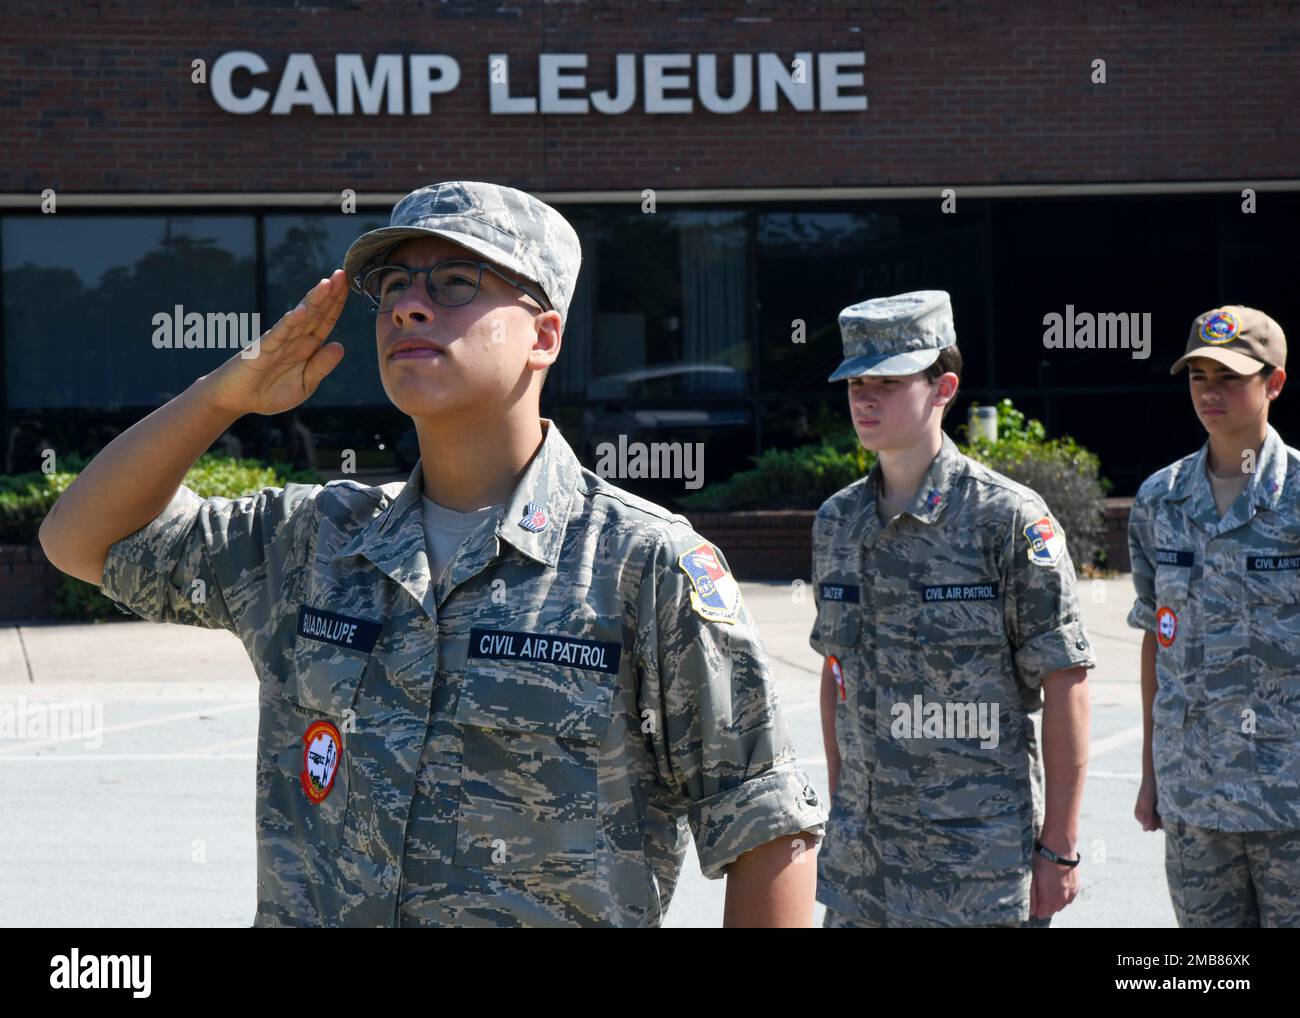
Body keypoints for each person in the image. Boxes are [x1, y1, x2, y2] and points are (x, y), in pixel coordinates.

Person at [39, 180, 826, 928]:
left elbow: (766, 826)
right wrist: (224, 395)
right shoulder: (312, 540)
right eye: (392, 289)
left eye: (454, 282)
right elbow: (76, 539)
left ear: (543, 336)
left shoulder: (642, 565)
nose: (408, 308)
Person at [811, 290, 1093, 927]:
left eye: (887, 380)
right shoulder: (838, 522)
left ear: (943, 387)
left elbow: (1066, 680)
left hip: (975, 871)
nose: (863, 396)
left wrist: (1061, 848)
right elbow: (836, 673)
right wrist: (840, 807)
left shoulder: (1008, 519)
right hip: (864, 871)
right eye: (855, 380)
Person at [1128, 305, 1300, 927]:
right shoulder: (1160, 499)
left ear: (1273, 383)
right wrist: (1151, 775)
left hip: (1291, 799)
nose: (1210, 392)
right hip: (1195, 795)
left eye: (1229, 377)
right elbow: (1157, 640)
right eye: (1198, 376)